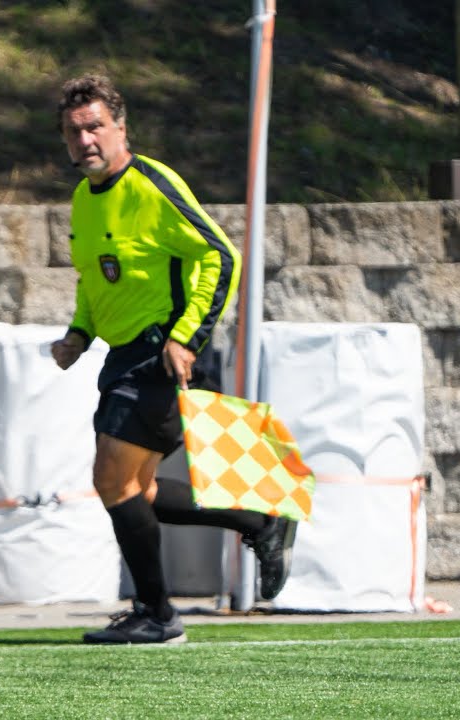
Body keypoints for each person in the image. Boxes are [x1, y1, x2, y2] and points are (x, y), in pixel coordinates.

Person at [49, 74, 295, 645]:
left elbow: (219, 254)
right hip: (121, 356)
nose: (84, 140)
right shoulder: (85, 199)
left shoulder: (152, 185)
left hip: (161, 355)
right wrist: (79, 335)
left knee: (111, 477)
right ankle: (259, 520)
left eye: (94, 127)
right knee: (139, 491)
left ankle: (158, 615)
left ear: (120, 128)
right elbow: (95, 277)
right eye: (72, 132)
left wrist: (186, 338)